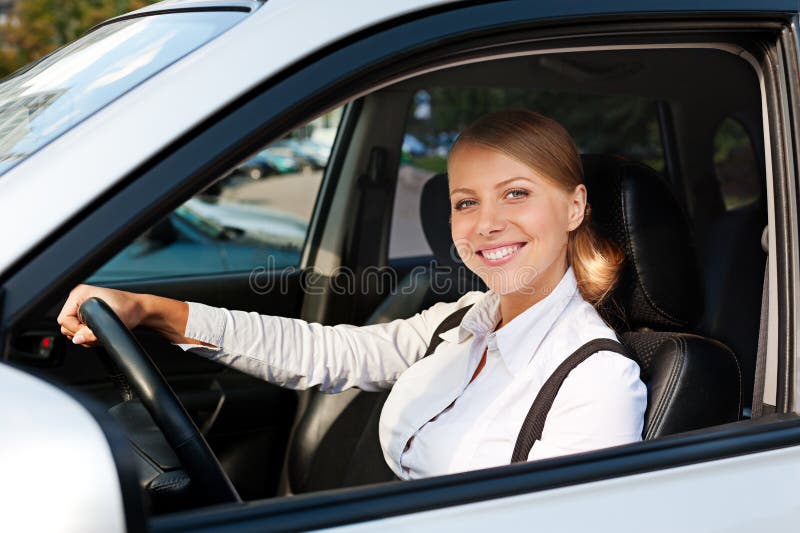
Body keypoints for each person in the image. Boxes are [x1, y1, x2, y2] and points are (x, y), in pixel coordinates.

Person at [58, 109, 646, 480]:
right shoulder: (464, 320)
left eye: (516, 193)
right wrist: (156, 311)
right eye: (466, 201)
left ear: (574, 208)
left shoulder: (594, 380)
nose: (486, 223)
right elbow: (329, 352)